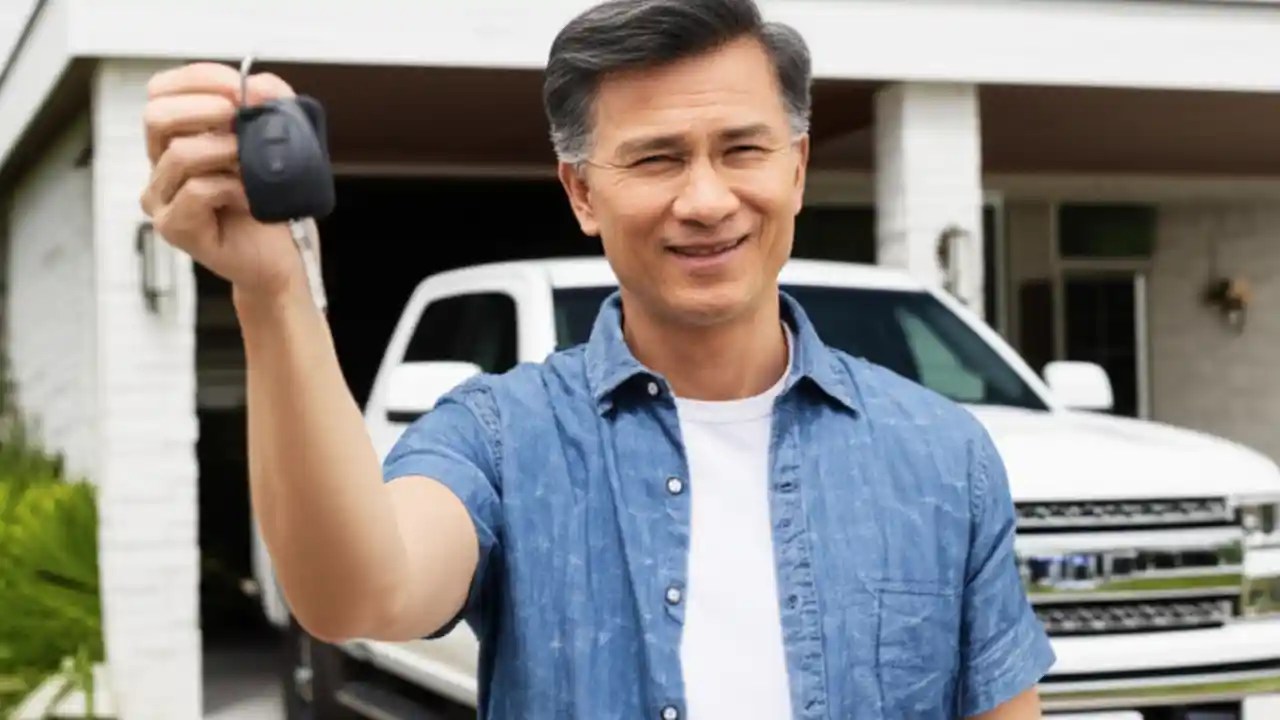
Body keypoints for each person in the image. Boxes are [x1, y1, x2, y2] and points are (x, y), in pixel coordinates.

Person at [139, 0, 1056, 717]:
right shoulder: (503, 439)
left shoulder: (942, 455)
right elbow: (357, 595)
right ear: (581, 192)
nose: (707, 200)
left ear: (797, 168)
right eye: (656, 160)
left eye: (742, 149)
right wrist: (275, 293)